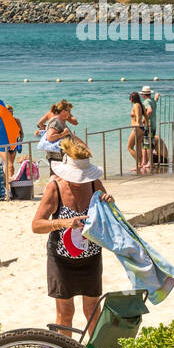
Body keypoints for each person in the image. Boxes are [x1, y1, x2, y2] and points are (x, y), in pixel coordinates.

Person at [31, 138, 114, 331]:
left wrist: (110, 203)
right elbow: (36, 225)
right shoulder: (55, 187)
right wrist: (63, 223)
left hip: (91, 257)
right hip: (61, 260)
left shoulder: (94, 184)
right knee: (65, 313)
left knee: (93, 311)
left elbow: (108, 218)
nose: (80, 180)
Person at [128, 92, 150, 173]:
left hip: (137, 128)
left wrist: (137, 122)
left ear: (132, 98)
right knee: (138, 147)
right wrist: (147, 124)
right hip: (142, 128)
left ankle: (138, 163)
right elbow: (146, 116)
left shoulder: (136, 105)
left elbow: (138, 116)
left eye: (130, 98)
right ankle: (139, 164)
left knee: (129, 147)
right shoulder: (141, 105)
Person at [140, 86, 158, 167]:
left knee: (147, 144)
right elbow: (155, 100)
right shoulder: (152, 100)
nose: (142, 96)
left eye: (142, 94)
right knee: (145, 144)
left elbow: (149, 110)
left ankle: (150, 163)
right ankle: (144, 162)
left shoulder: (146, 102)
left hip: (148, 126)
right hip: (153, 125)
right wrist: (157, 96)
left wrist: (144, 120)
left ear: (144, 94)